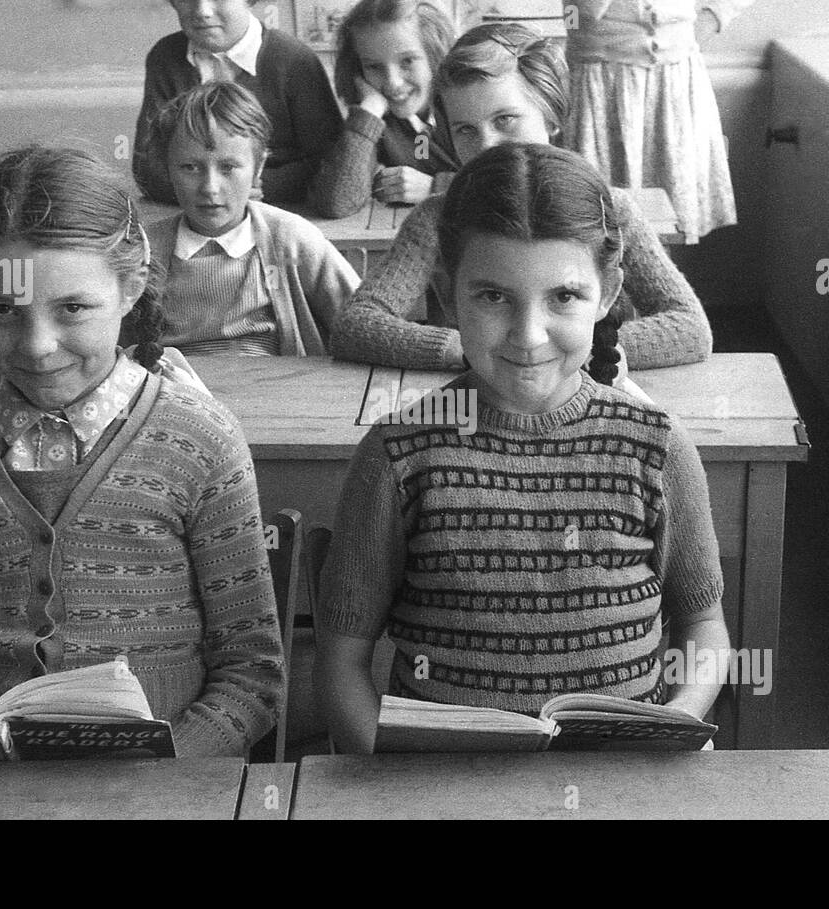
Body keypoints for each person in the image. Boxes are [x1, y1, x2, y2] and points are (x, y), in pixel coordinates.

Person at [0, 146, 285, 757]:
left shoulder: (202, 443)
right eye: (2, 311)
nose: (38, 346)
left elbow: (252, 678)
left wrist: (160, 771)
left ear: (131, 286)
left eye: (73, 308)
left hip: (162, 790)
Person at [315, 143, 729, 753]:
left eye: (563, 296)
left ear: (608, 292)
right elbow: (342, 659)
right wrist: (387, 786)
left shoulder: (656, 449)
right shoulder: (399, 455)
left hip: (622, 784)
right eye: (492, 296)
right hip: (443, 796)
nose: (529, 335)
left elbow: (703, 627)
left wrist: (676, 723)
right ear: (446, 293)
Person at [328, 22, 711, 372]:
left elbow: (690, 326)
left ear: (552, 117)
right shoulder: (437, 217)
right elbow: (357, 325)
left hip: (592, 393)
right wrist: (469, 350)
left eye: (505, 121)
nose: (486, 146)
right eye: (465, 130)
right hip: (478, 402)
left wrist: (577, 349)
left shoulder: (611, 210)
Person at [139, 81, 358, 356]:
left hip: (276, 391)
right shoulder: (146, 251)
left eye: (228, 167)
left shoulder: (291, 239)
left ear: (258, 168)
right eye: (190, 167)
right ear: (168, 169)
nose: (210, 187)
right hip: (177, 391)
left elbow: (362, 322)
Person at [563, 0, 754, 239]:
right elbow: (579, 14)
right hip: (597, 85)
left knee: (667, 228)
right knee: (591, 226)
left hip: (672, 85)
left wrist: (714, 14)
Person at [133, 0, 343, 206]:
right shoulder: (165, 56)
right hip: (193, 211)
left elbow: (332, 163)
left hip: (279, 210)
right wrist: (204, 190)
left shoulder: (294, 59)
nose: (202, 10)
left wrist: (259, 186)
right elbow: (146, 163)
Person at [307, 0, 459, 218]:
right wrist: (370, 111)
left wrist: (435, 188)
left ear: (436, 57)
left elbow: (505, 185)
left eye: (407, 61)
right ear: (357, 70)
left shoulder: (465, 110)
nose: (393, 82)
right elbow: (336, 204)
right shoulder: (372, 122)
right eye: (374, 67)